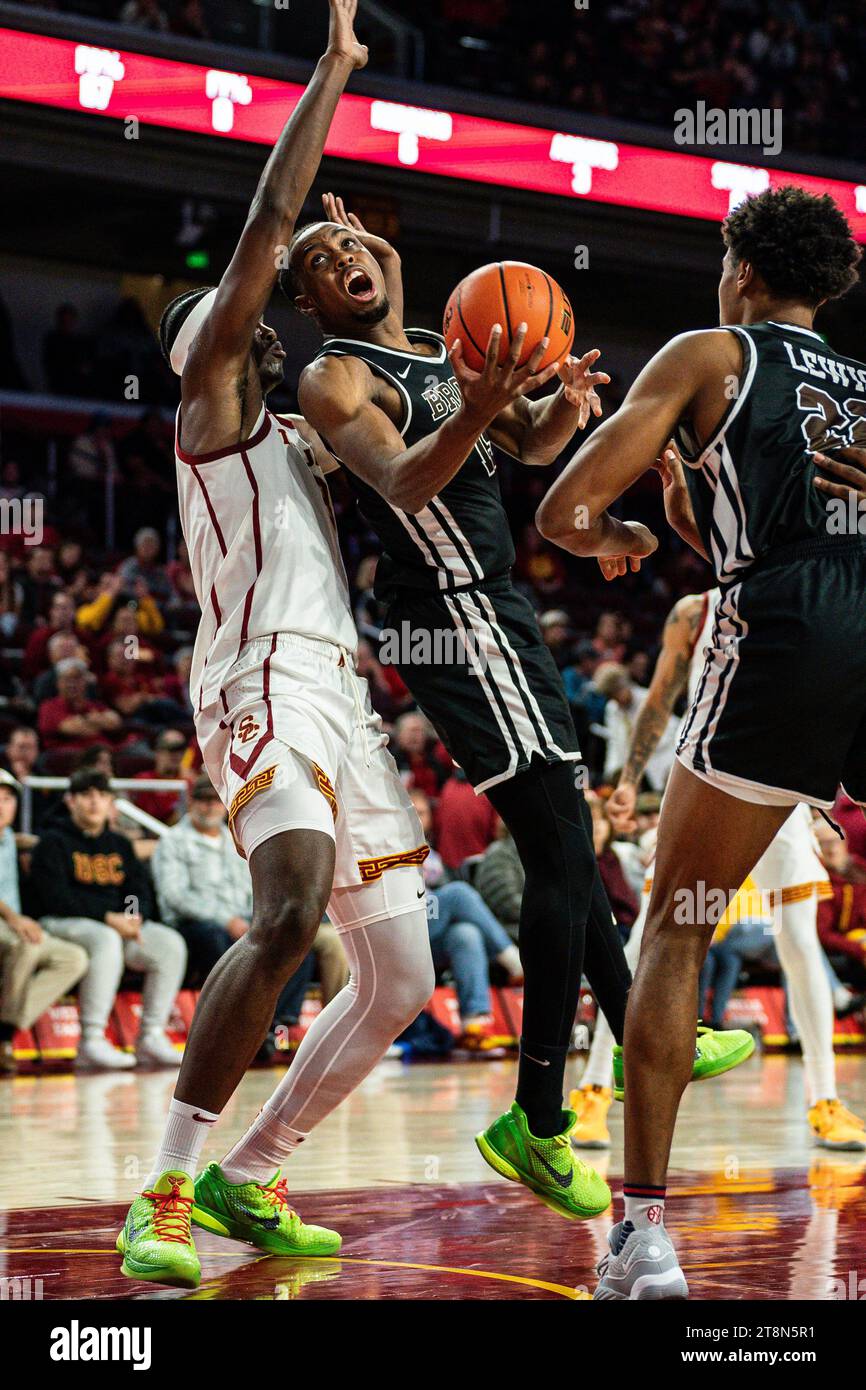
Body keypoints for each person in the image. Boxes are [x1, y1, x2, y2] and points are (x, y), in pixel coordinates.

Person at [291, 192, 742, 1220]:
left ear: (387, 252)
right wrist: (481, 407)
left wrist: (558, 408)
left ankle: (629, 1035)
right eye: (318, 259)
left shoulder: (433, 345)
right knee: (553, 847)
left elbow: (521, 448)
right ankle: (538, 1115)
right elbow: (406, 482)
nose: (342, 256)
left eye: (351, 239)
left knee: (563, 844)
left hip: (497, 608)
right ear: (310, 300)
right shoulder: (335, 375)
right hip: (451, 618)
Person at [117, 1, 434, 1291]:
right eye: (224, 309)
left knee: (403, 974)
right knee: (290, 907)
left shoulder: (294, 430)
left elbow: (411, 414)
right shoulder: (207, 405)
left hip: (335, 691)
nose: (237, 314)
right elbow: (261, 231)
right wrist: (333, 70)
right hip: (255, 678)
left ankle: (254, 1169)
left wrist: (379, 267)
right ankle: (164, 1192)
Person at [536, 186, 866, 1297]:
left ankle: (641, 1236)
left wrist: (622, 530)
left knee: (675, 919)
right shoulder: (860, 387)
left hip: (780, 625)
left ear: (738, 267)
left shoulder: (706, 351)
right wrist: (693, 523)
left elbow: (564, 511)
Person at [29, 769, 187, 1071]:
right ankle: (91, 1039)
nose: (94, 802)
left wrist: (132, 917)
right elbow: (56, 897)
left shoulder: (119, 844)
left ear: (111, 803)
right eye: (86, 795)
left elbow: (137, 889)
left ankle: (151, 1036)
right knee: (105, 938)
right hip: (60, 923)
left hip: (116, 926)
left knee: (169, 944)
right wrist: (108, 918)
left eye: (101, 796)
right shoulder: (52, 841)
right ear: (70, 801)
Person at [0, 774, 88, 1073]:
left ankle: (7, 1031)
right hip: (10, 923)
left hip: (16, 924)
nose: (1, 806)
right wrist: (14, 918)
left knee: (73, 958)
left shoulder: (10, 838)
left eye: (8, 799)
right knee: (24, 943)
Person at [152, 775, 253, 980]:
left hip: (240, 919)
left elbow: (254, 889)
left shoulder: (237, 841)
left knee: (285, 937)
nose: (211, 806)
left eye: (217, 800)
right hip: (191, 923)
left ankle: (282, 1012)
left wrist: (256, 919)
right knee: (215, 937)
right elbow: (174, 895)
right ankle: (226, 1007)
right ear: (191, 802)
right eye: (204, 800)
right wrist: (226, 920)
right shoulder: (173, 840)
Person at [37, 657, 122, 752]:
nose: (72, 684)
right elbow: (72, 728)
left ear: (85, 682)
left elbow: (116, 722)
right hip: (68, 759)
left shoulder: (95, 704)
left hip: (105, 755)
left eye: (77, 679)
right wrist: (95, 719)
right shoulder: (49, 707)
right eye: (67, 679)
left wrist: (84, 721)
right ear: (58, 683)